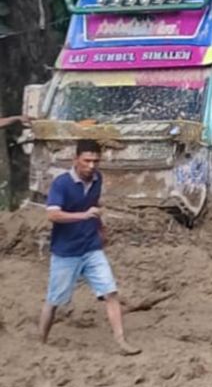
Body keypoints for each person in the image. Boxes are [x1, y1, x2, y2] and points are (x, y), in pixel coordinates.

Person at [39, 139, 140, 355]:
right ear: (76, 159)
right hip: (66, 251)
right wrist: (83, 216)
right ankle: (41, 341)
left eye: (96, 161)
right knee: (54, 300)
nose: (92, 166)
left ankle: (121, 340)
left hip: (91, 247)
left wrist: (99, 226)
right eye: (87, 161)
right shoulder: (61, 184)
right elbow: (52, 214)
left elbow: (93, 205)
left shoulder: (97, 179)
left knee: (110, 292)